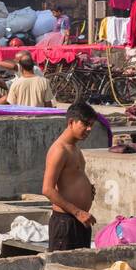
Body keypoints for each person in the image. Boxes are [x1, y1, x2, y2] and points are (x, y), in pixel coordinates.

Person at [42, 100, 98, 252]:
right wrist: (77, 212)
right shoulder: (59, 150)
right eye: (85, 124)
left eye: (91, 125)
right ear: (71, 122)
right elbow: (47, 189)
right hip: (65, 223)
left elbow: (72, 178)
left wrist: (87, 190)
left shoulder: (74, 148)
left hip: (80, 221)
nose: (89, 129)